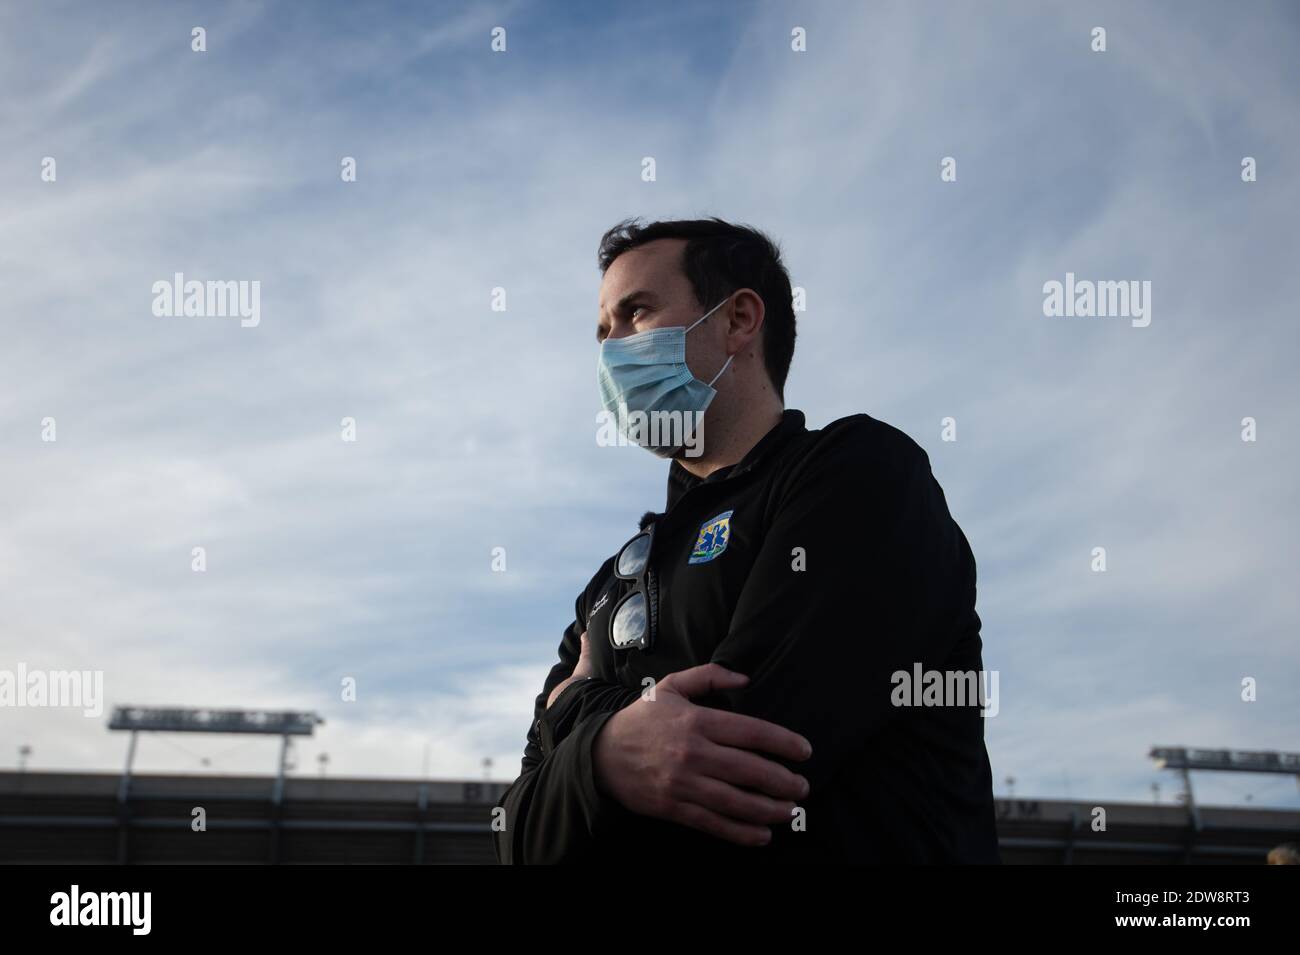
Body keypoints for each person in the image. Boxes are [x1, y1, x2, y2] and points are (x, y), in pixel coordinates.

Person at [493, 216, 1001, 863]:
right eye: (602, 330)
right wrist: (608, 754)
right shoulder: (609, 585)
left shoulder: (860, 473)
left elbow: (745, 753)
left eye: (636, 312)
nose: (611, 348)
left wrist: (580, 714)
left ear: (737, 320)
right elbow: (515, 837)